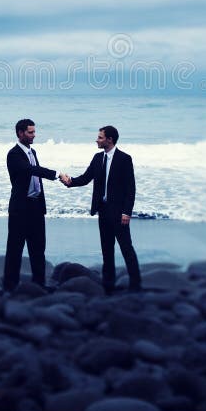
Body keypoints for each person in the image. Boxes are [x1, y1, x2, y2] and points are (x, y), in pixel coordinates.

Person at [60, 125, 141, 293]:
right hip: (103, 210)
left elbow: (130, 188)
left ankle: (136, 285)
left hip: (119, 213)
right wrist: (70, 182)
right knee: (106, 250)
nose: (97, 140)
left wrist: (127, 212)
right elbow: (85, 178)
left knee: (127, 249)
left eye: (100, 137)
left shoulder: (124, 159)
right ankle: (108, 285)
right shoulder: (98, 158)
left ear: (109, 139)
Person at [3, 118, 59, 292]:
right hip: (20, 208)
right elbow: (30, 170)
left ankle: (39, 284)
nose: (34, 135)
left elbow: (35, 175)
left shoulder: (32, 151)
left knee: (38, 248)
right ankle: (10, 286)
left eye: (34, 132)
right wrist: (56, 174)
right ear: (20, 133)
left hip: (35, 207)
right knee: (15, 249)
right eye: (30, 132)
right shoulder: (13, 154)